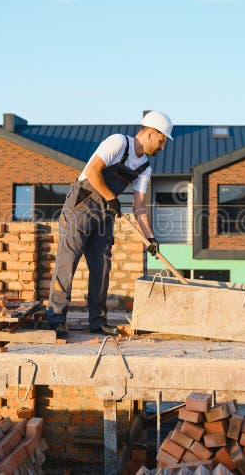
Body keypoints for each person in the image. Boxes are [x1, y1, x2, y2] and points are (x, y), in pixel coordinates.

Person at [46, 111, 173, 339]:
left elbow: (140, 207)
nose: (162, 146)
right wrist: (112, 198)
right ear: (151, 132)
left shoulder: (145, 167)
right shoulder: (118, 142)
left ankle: (98, 321)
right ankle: (56, 318)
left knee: (102, 267)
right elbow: (94, 171)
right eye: (162, 140)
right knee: (67, 263)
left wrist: (150, 238)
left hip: (105, 212)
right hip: (81, 206)